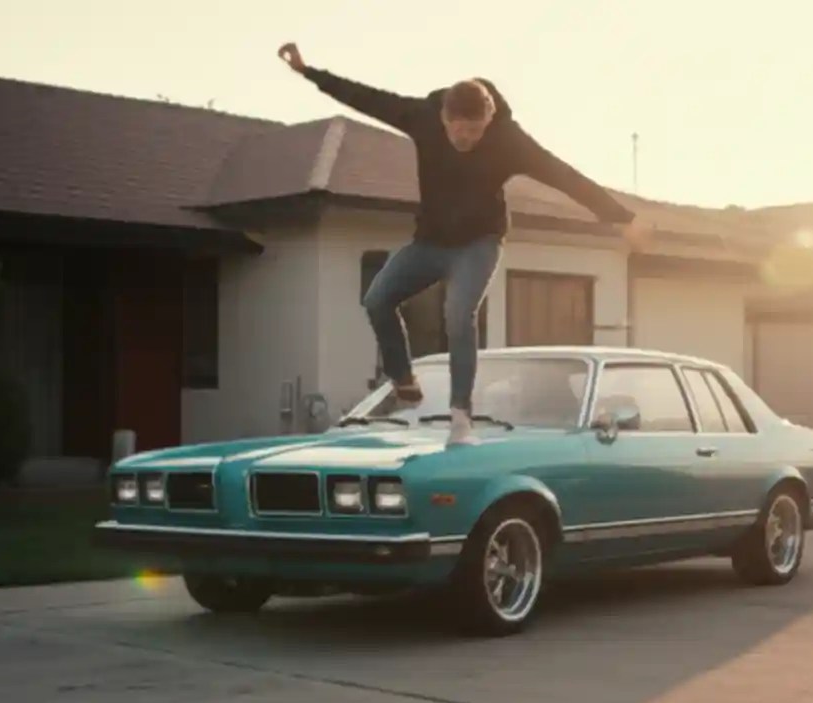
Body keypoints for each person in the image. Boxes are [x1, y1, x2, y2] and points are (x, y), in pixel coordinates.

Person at [277, 42, 653, 445]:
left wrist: (622, 218)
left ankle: (461, 417)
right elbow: (366, 98)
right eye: (459, 131)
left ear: (488, 119)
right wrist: (308, 71)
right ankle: (403, 378)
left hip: (479, 243)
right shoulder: (422, 116)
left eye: (476, 131)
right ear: (444, 117)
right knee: (377, 299)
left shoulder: (508, 139)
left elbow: (563, 175)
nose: (467, 139)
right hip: (430, 242)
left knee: (458, 314)